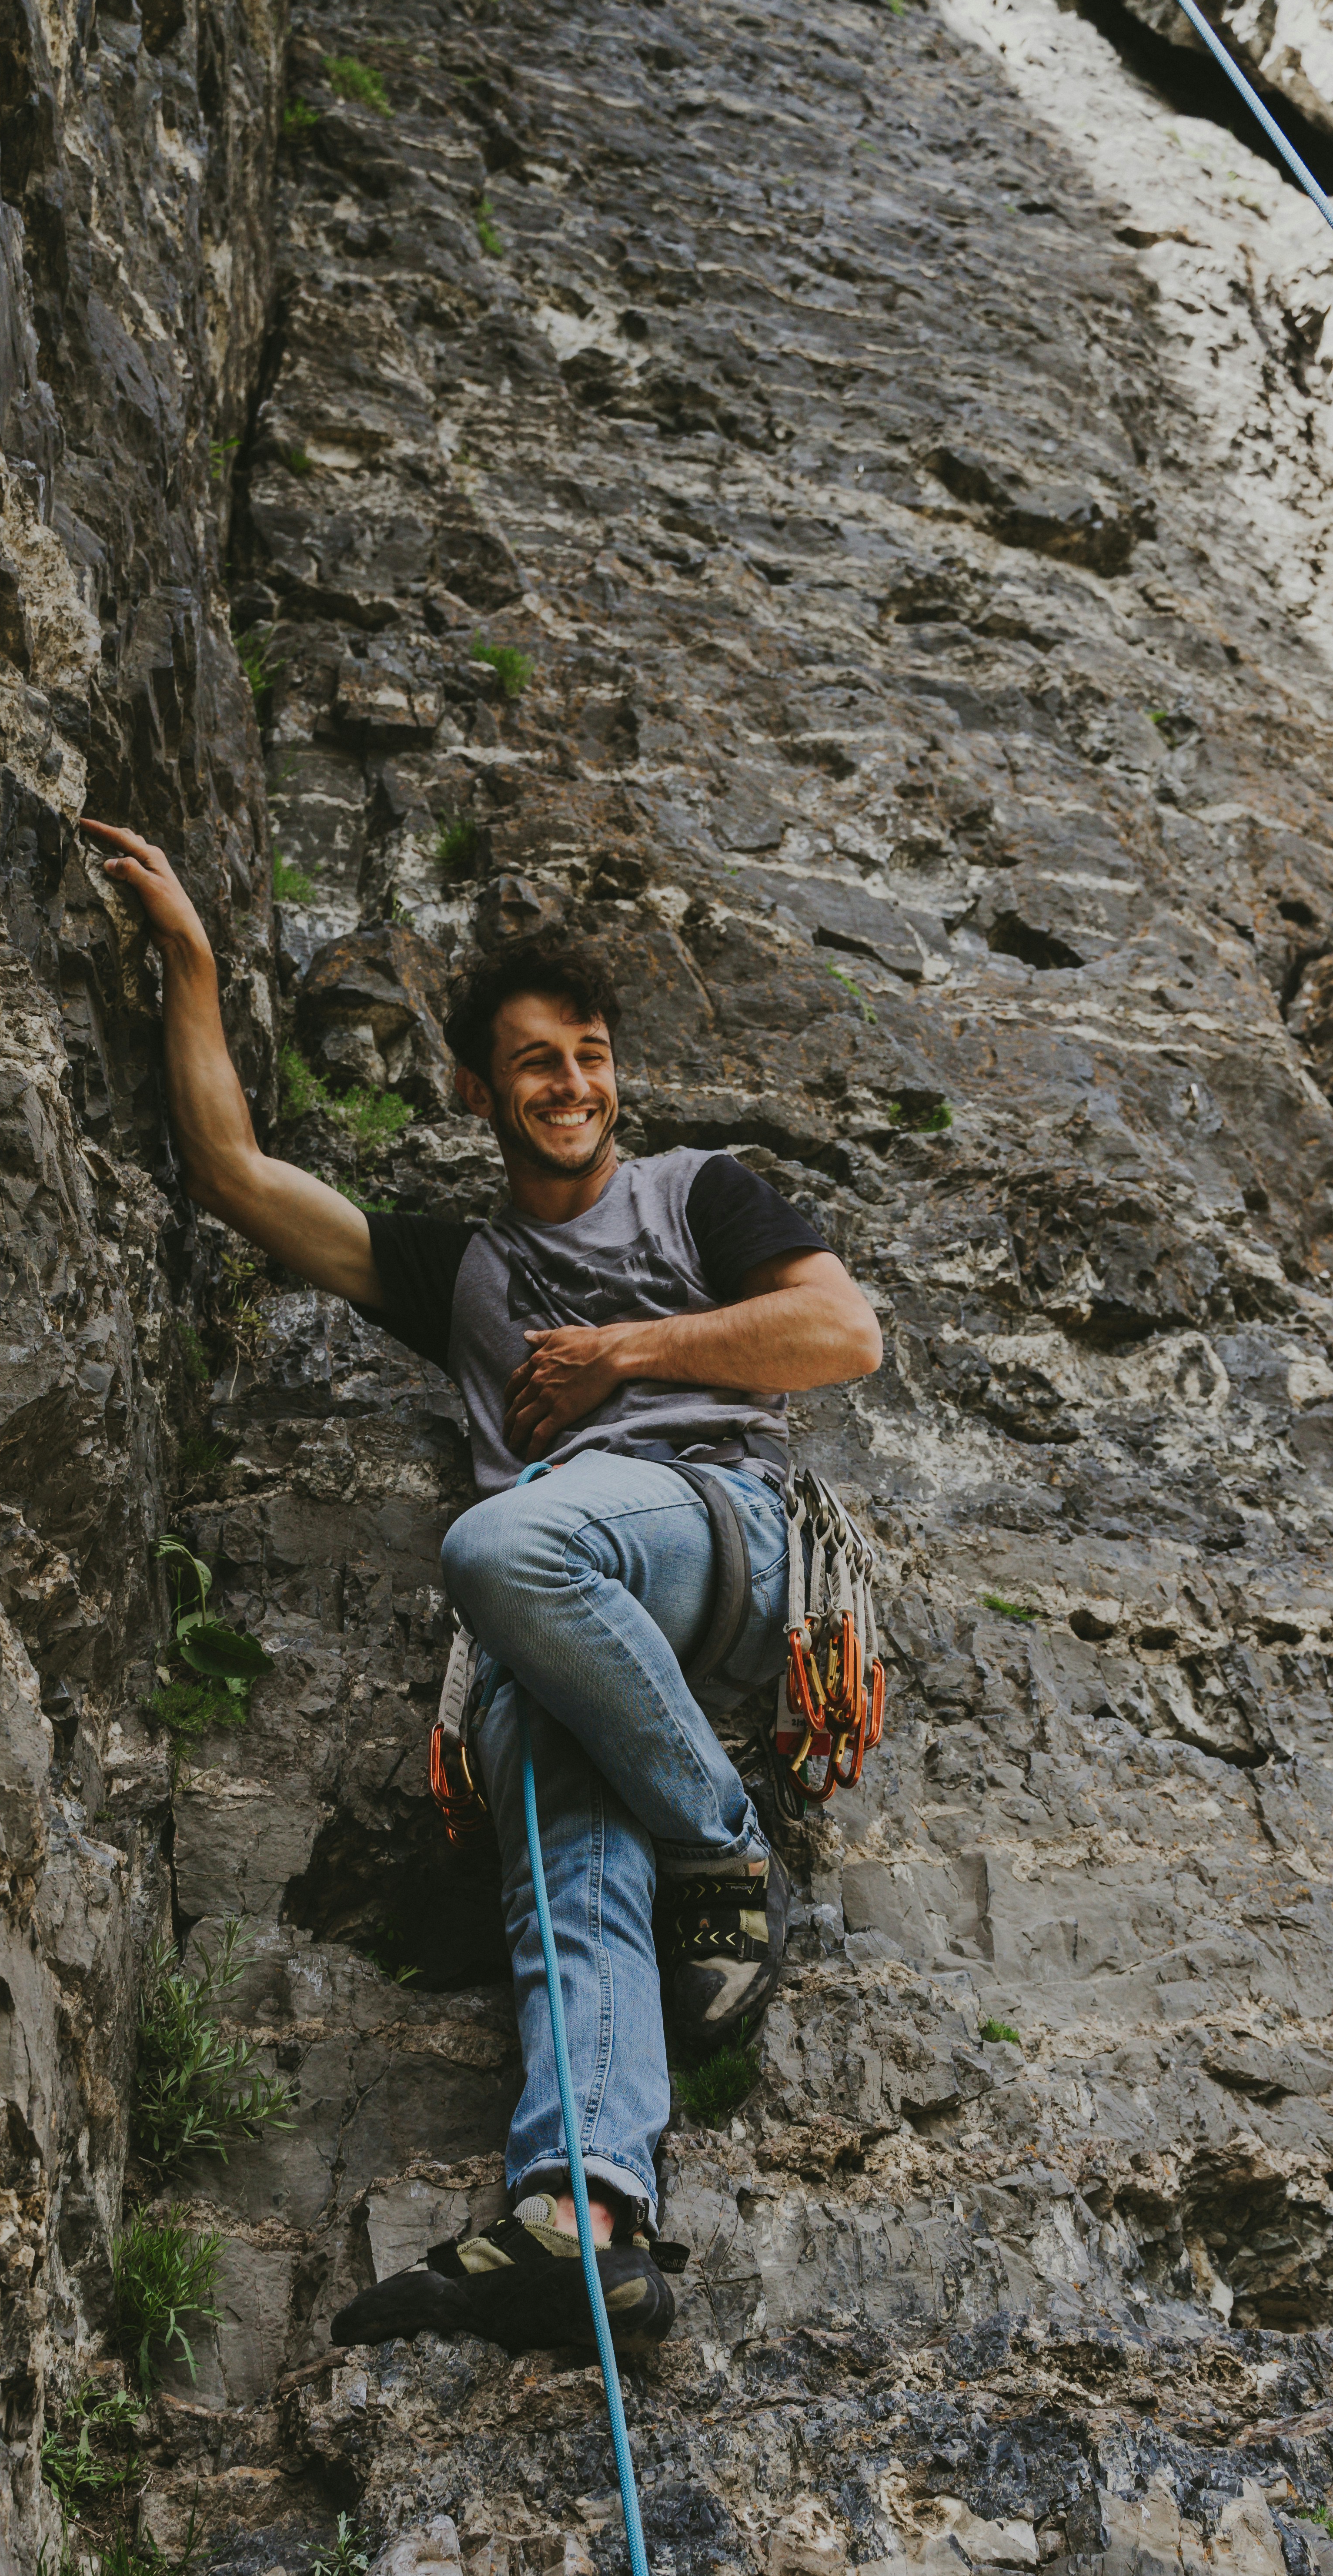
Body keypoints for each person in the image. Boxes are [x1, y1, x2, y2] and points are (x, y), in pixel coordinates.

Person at [85, 821, 882, 2356]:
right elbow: (235, 1173)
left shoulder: (697, 1196)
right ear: (474, 1089)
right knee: (567, 1866)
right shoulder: (459, 1272)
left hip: (715, 1544)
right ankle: (586, 2221)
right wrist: (191, 956)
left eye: (589, 1057)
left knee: (507, 1545)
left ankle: (719, 1845)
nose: (570, 1085)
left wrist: (621, 1356)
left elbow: (841, 1336)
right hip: (577, 1648)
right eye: (533, 1062)